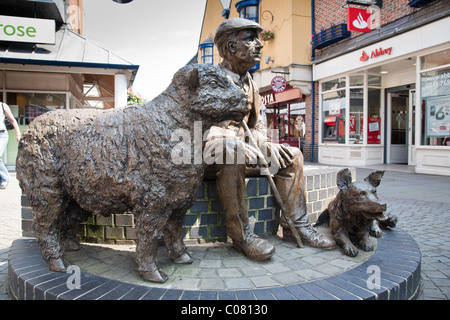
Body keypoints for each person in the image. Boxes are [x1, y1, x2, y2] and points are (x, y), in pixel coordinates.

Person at [204, 18, 334, 261]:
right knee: (232, 151)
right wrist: (238, 142)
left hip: (243, 151)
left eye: (259, 38)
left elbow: (257, 125)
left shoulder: (250, 83)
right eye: (250, 39)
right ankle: (242, 236)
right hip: (211, 158)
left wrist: (263, 142)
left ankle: (297, 225)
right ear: (231, 46)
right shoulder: (209, 80)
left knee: (291, 156)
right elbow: (199, 128)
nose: (259, 45)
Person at [0, 102, 21, 189]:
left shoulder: (2, 106)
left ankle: (5, 177)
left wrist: (18, 134)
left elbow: (13, 120)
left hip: (2, 135)